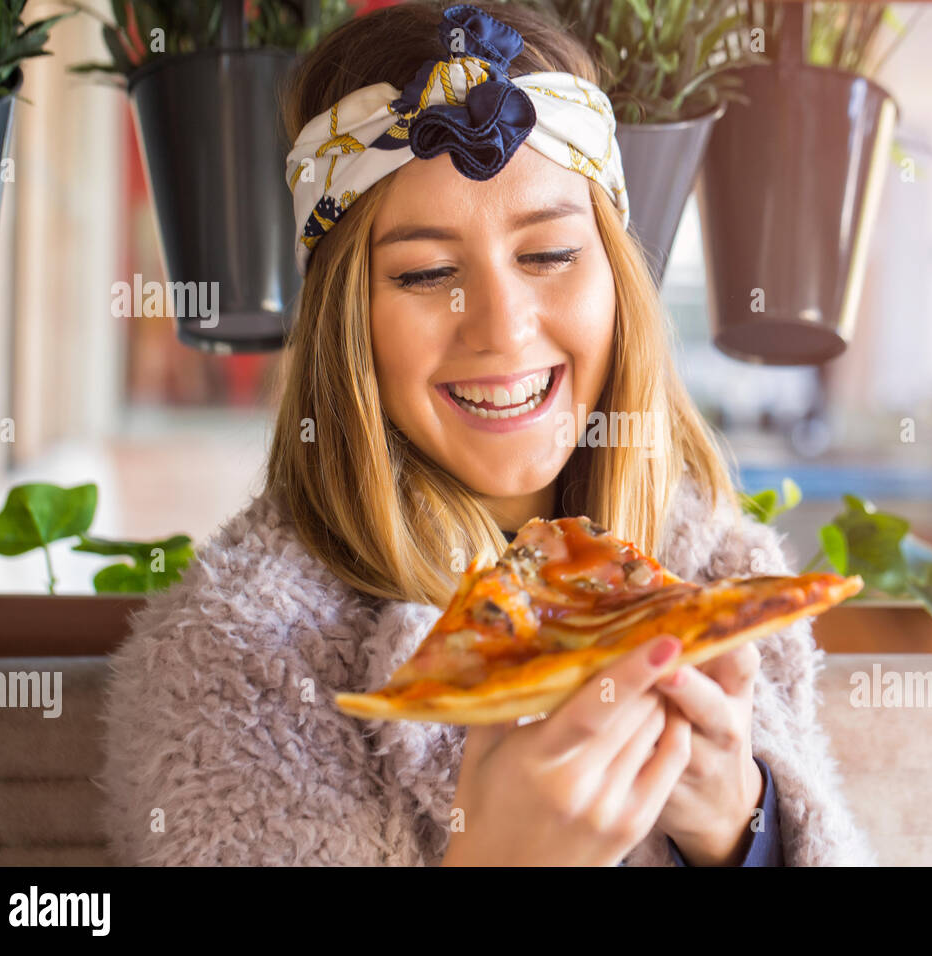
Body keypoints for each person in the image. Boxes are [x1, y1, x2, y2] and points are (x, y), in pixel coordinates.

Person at [99, 0, 876, 867]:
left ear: (618, 278)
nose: (500, 328)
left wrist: (746, 826)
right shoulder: (231, 663)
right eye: (426, 273)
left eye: (547, 255)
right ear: (346, 319)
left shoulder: (726, 583)